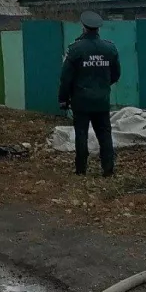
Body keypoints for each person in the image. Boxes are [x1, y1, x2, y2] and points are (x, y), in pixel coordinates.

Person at [58, 11, 121, 177]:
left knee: (81, 135)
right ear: (98, 28)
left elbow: (66, 78)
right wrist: (102, 86)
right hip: (102, 99)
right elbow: (116, 74)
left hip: (81, 100)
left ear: (83, 27)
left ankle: (81, 170)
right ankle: (108, 169)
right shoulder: (110, 48)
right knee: (105, 135)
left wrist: (63, 99)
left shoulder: (75, 49)